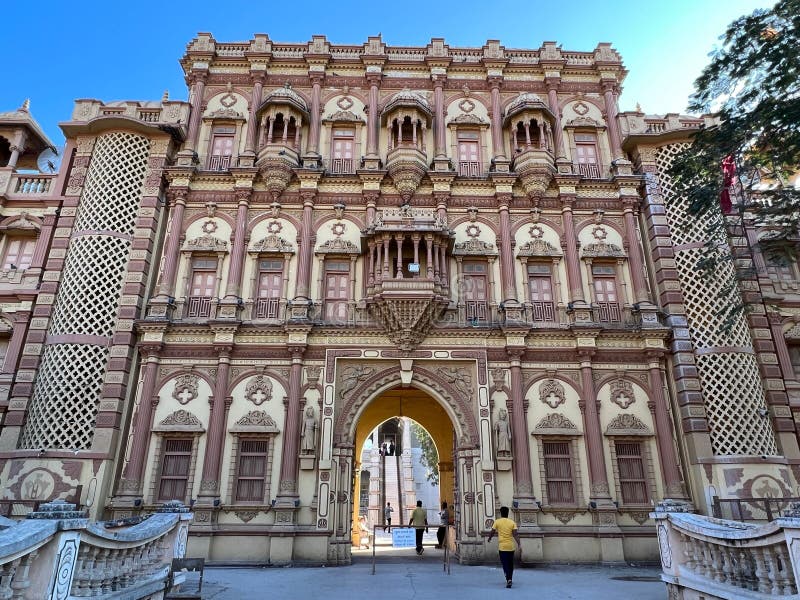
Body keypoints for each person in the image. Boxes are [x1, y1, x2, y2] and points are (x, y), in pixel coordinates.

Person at [487, 506, 521, 588]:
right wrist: (519, 544)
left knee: (504, 563)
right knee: (510, 563)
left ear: (501, 513)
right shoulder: (512, 522)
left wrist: (489, 538)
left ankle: (508, 578)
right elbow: (515, 534)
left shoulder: (497, 522)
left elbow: (492, 531)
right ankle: (510, 578)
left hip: (502, 547)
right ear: (508, 513)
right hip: (511, 547)